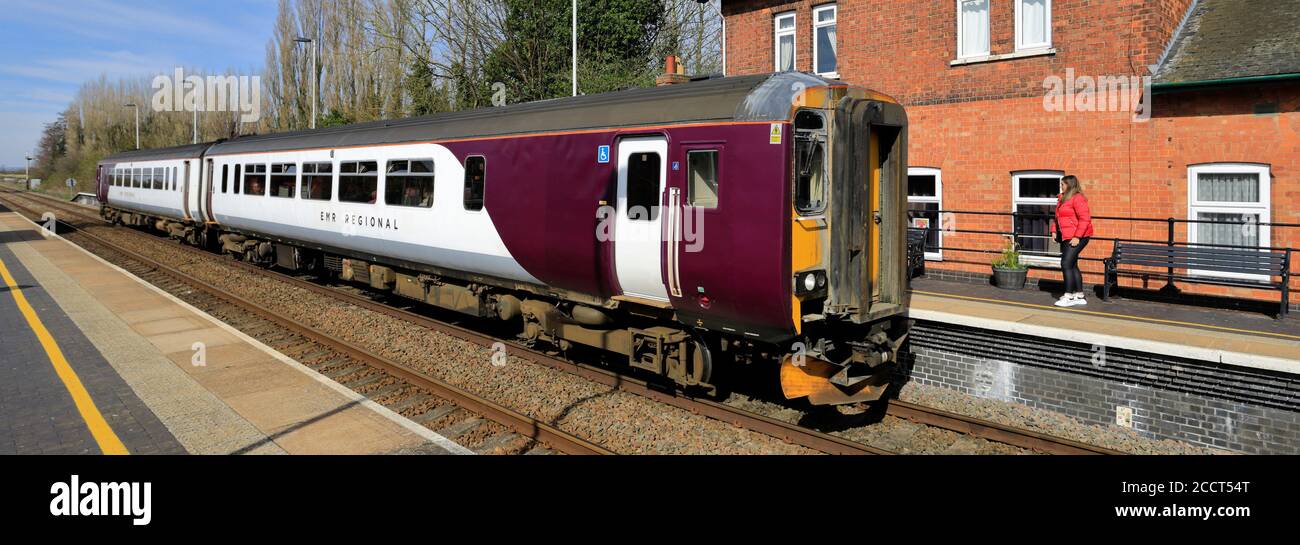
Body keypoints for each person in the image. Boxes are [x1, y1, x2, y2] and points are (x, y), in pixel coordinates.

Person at [1054, 175, 1094, 307]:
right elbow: (1057, 217)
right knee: (1072, 264)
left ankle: (1069, 296)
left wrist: (1077, 237)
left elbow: (1085, 219)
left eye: (1063, 184)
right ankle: (1080, 295)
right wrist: (1054, 231)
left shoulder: (1078, 198)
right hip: (1067, 236)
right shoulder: (1062, 198)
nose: (1061, 186)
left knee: (1065, 263)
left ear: (1069, 185)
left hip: (1078, 237)